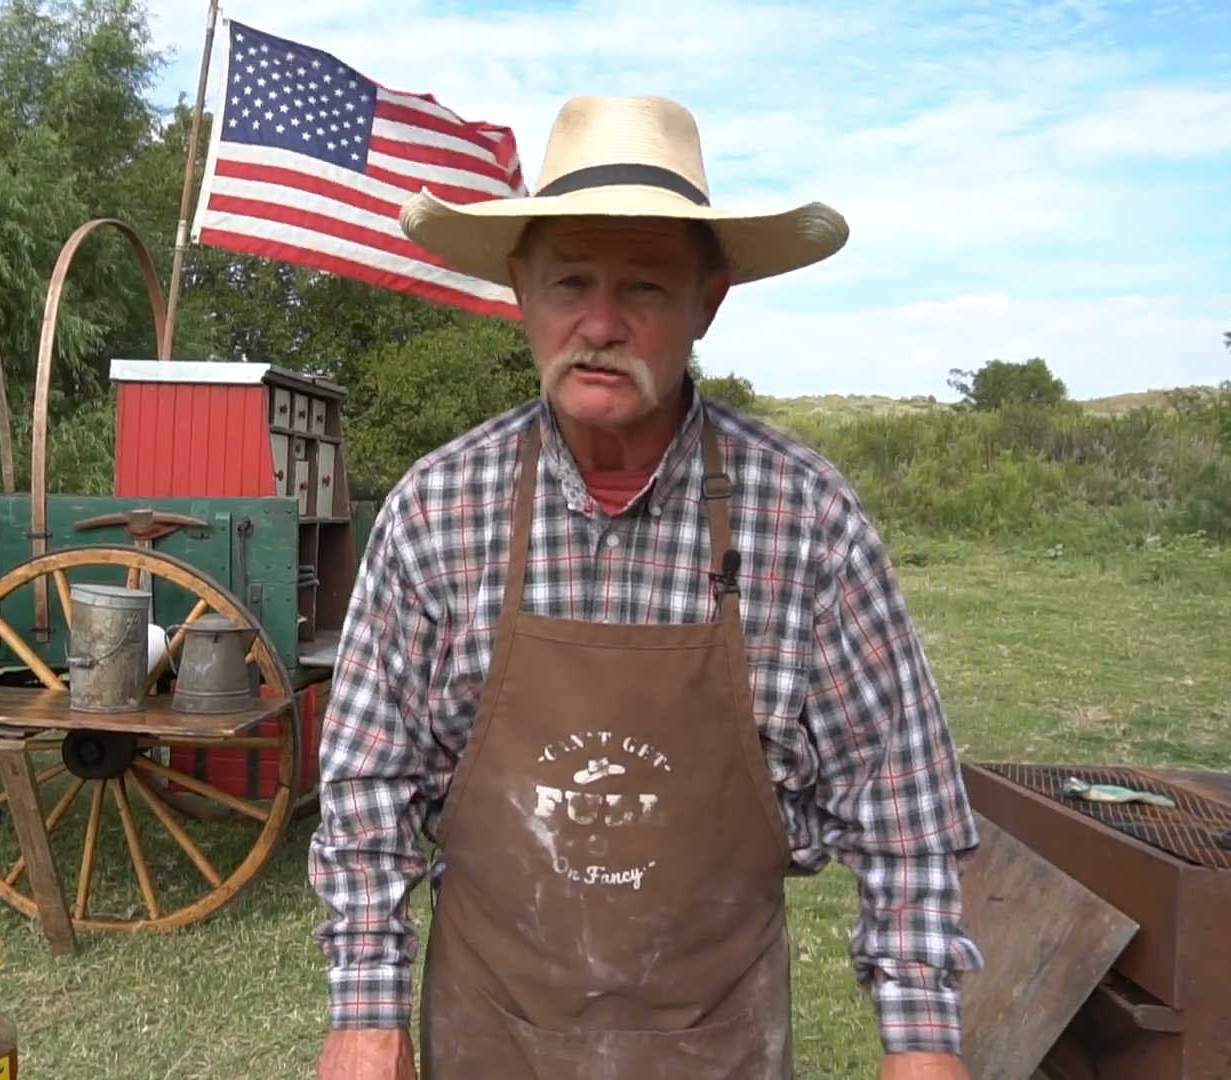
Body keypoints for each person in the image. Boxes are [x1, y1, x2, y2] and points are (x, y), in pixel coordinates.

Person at [307, 94, 983, 1080]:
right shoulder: (435, 511)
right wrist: (367, 1013)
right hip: (493, 1037)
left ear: (707, 304)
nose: (601, 322)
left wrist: (921, 1047)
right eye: (570, 280)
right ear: (520, 291)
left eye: (647, 289)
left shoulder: (807, 522)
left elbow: (905, 808)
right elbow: (369, 783)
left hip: (718, 1043)